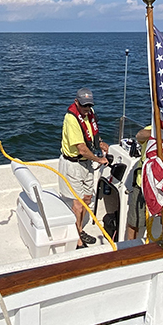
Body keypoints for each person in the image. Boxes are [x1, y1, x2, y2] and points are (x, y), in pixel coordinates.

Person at [58, 88, 109, 248]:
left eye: (89, 105)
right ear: (76, 102)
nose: (87, 109)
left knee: (87, 198)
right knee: (78, 204)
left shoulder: (89, 113)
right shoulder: (71, 119)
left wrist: (100, 142)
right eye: (84, 105)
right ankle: (78, 239)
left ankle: (79, 229)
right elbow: (81, 149)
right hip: (73, 165)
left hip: (86, 163)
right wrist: (99, 159)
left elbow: (90, 133)